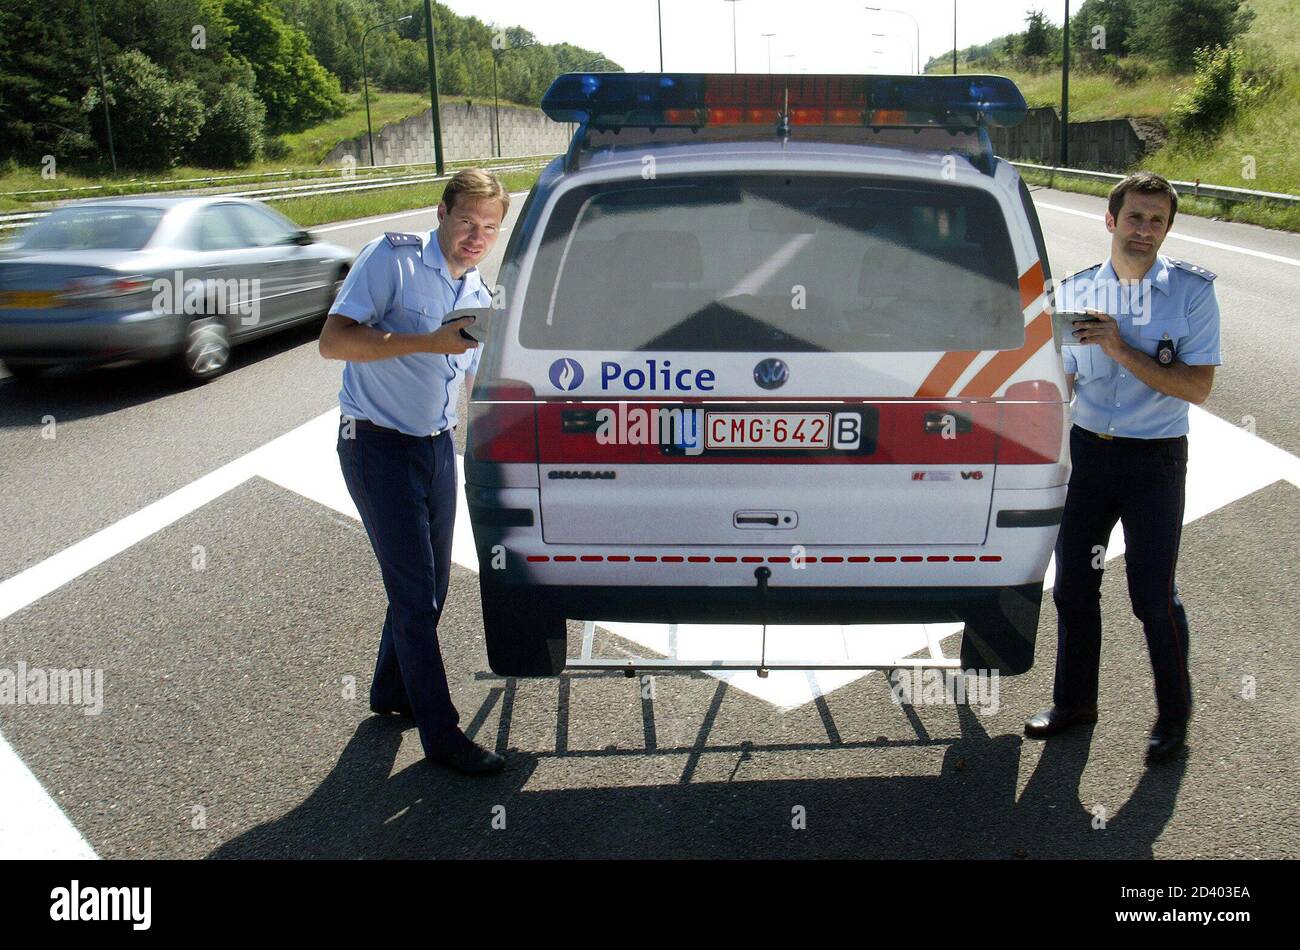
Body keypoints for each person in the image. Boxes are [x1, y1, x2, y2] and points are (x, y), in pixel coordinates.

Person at [1025, 171, 1221, 763]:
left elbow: (1196, 387)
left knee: (1152, 595)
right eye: (1135, 217)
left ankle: (1173, 721)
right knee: (1075, 587)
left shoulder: (1191, 294)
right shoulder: (1080, 291)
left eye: (1157, 220)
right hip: (1089, 454)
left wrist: (1119, 348)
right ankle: (1075, 703)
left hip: (1154, 461)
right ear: (1111, 220)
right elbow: (1062, 378)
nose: (1145, 230)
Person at [319, 168, 509, 775]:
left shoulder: (479, 290)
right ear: (441, 213)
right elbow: (334, 341)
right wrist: (426, 341)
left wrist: (493, 441)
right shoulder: (391, 259)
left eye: (489, 227)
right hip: (376, 446)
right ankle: (442, 735)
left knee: (429, 589)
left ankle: (391, 690)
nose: (477, 236)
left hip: (433, 447)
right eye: (467, 222)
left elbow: (472, 378)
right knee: (413, 590)